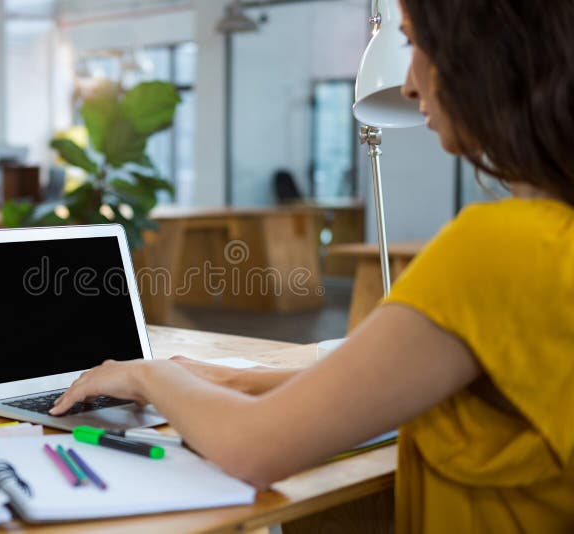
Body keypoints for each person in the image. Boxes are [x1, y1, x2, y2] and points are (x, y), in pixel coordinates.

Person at [51, 1, 574, 531]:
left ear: (487, 58)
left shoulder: (498, 246)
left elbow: (252, 448)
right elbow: (408, 380)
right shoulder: (555, 237)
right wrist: (231, 378)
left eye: (415, 44)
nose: (411, 85)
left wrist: (146, 372)